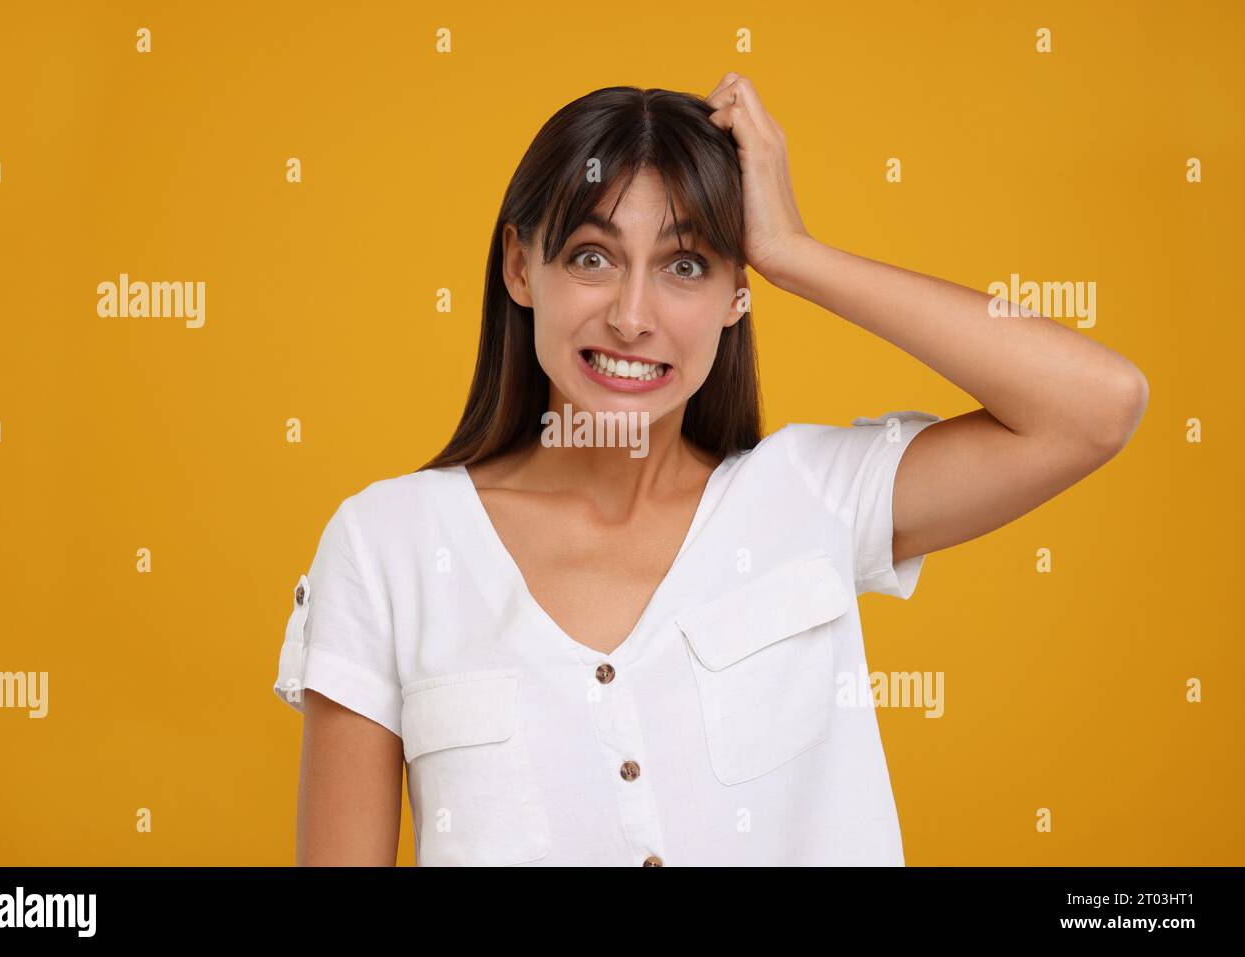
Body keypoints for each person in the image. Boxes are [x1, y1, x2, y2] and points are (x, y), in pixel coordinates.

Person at [272, 74, 1148, 866]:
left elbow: (1098, 405)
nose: (631, 315)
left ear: (737, 295)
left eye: (685, 265)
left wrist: (794, 253)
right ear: (519, 267)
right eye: (591, 256)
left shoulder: (809, 497)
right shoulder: (387, 545)